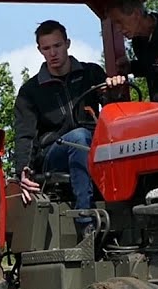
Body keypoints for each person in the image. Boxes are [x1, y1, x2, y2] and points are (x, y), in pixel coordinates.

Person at [12, 19, 126, 219]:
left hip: (93, 144)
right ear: (40, 50)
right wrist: (23, 170)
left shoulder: (91, 73)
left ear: (67, 44)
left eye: (57, 46)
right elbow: (25, 135)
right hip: (55, 153)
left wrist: (115, 91)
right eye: (46, 48)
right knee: (78, 137)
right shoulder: (30, 91)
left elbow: (115, 111)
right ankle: (85, 217)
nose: (53, 53)